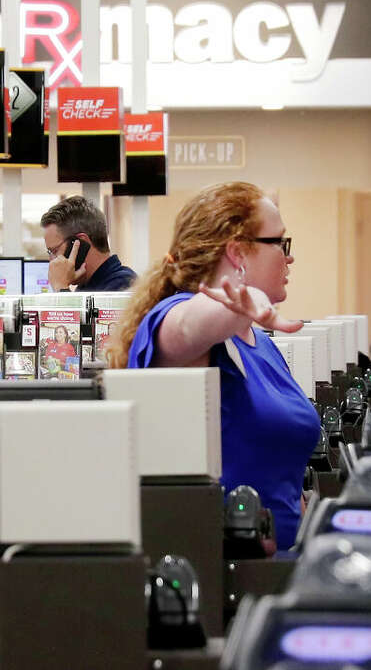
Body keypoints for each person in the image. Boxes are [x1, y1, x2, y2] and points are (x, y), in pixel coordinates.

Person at [111, 181, 319, 551]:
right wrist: (249, 298)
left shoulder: (261, 345)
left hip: (281, 570)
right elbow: (194, 321)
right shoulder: (174, 319)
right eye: (280, 244)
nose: (289, 258)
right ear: (238, 253)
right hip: (223, 576)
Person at [41, 196, 139, 292]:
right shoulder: (86, 286)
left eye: (54, 251)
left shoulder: (124, 285)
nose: (52, 261)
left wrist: (60, 287)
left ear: (80, 243)